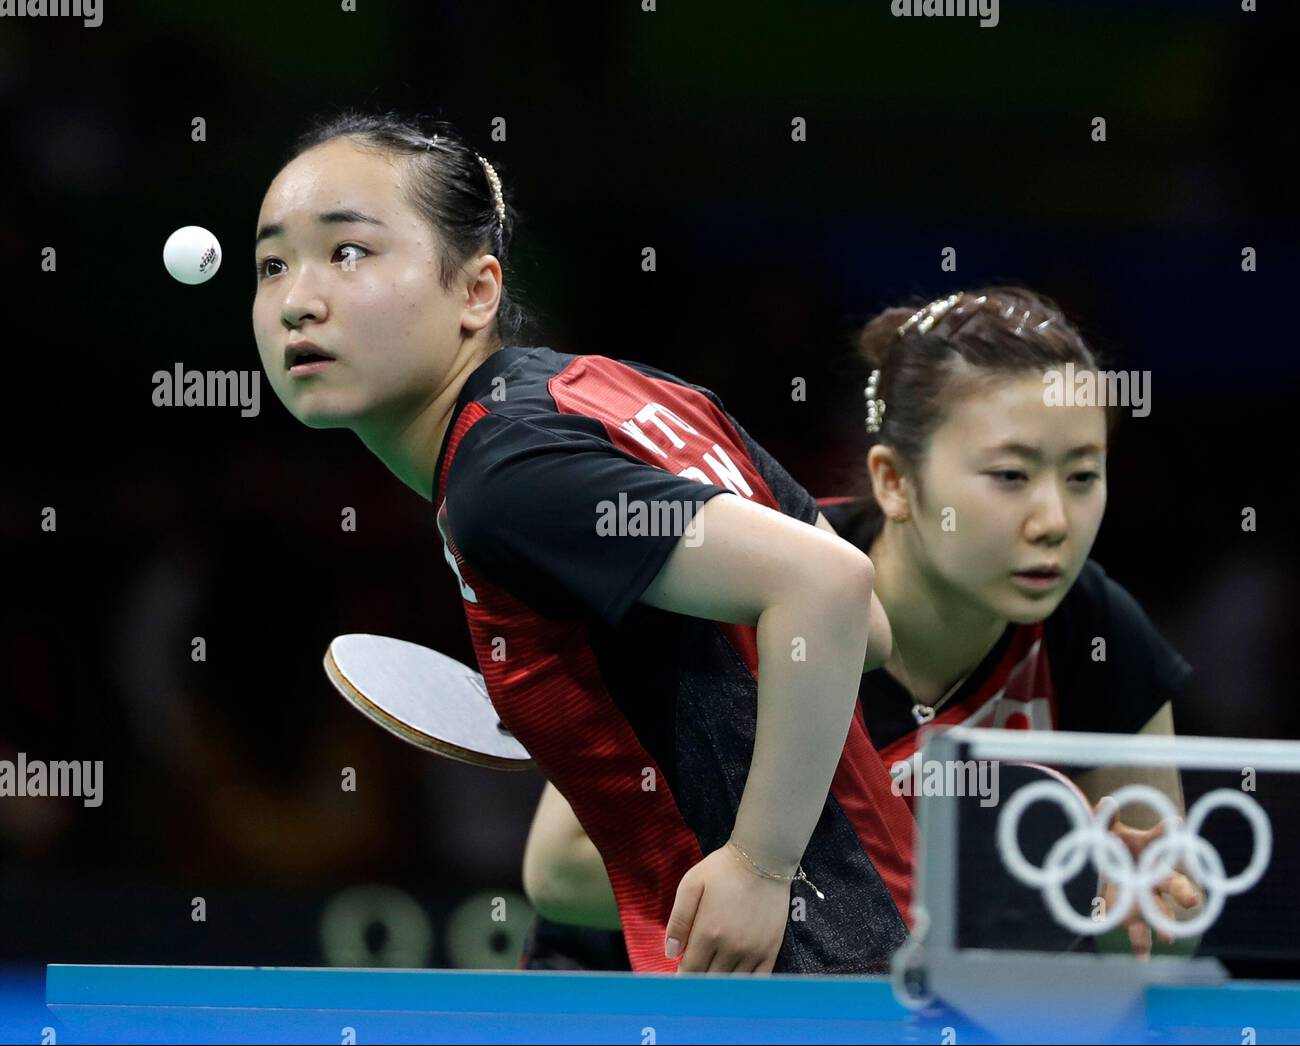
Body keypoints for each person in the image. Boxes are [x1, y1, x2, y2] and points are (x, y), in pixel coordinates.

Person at [251, 110, 913, 975]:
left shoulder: (505, 480)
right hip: (889, 941)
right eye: (272, 265)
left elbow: (829, 587)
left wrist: (761, 863)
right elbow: (869, 630)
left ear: (477, 291)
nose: (298, 300)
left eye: (348, 251)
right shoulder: (612, 390)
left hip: (794, 974)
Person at [520, 286, 1201, 970]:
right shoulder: (756, 574)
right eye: (1010, 475)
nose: (1053, 520)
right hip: (639, 988)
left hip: (887, 1001)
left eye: (1082, 476)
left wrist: (1121, 905)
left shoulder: (1094, 630)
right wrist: (958, 880)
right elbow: (559, 870)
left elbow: (1168, 929)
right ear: (894, 480)